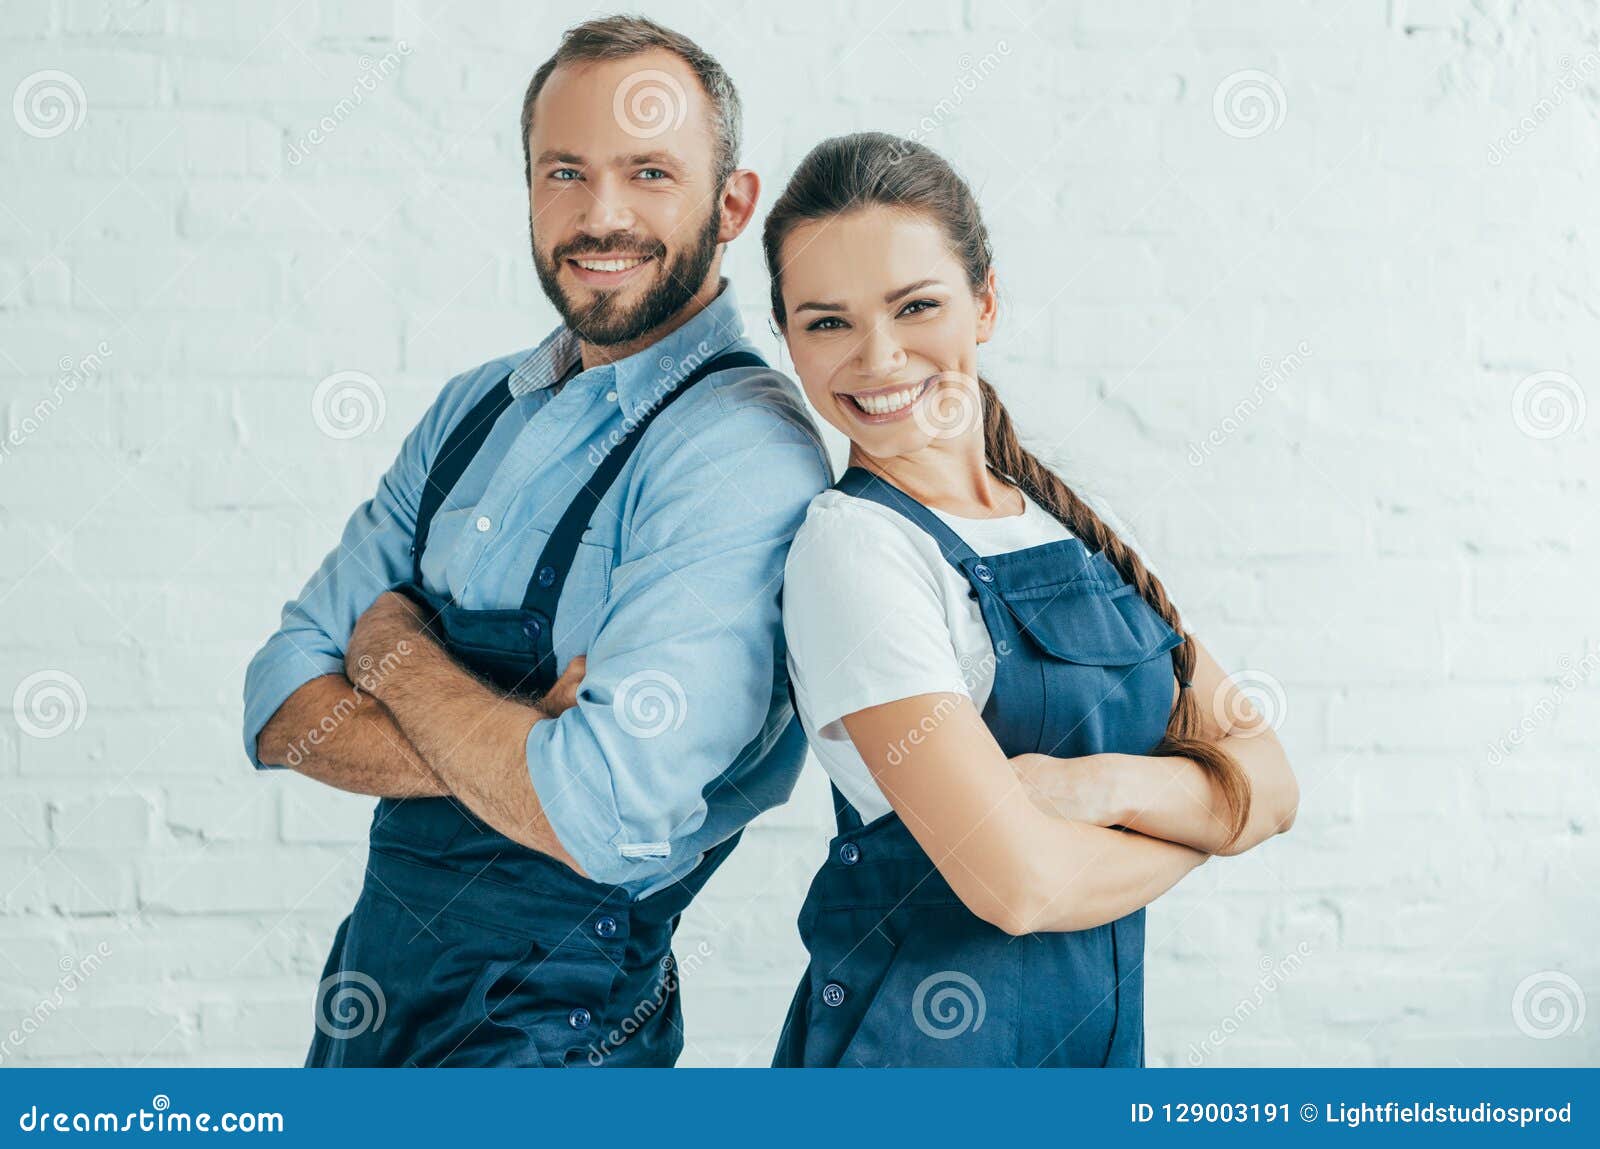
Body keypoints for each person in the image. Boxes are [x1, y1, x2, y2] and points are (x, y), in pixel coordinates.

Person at [241, 16, 830, 1066]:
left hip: (555, 1038)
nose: (601, 216)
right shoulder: (478, 410)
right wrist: (521, 753)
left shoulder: (738, 452)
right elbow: (281, 701)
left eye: (650, 173)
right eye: (565, 172)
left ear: (732, 205)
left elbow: (595, 812)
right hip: (373, 1000)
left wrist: (393, 653)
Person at [763, 132, 1299, 1067]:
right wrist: (1212, 828)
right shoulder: (855, 550)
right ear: (789, 342)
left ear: (985, 303)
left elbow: (1274, 779)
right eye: (827, 323)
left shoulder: (1065, 522)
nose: (879, 358)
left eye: (916, 306)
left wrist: (1099, 789)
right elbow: (1022, 889)